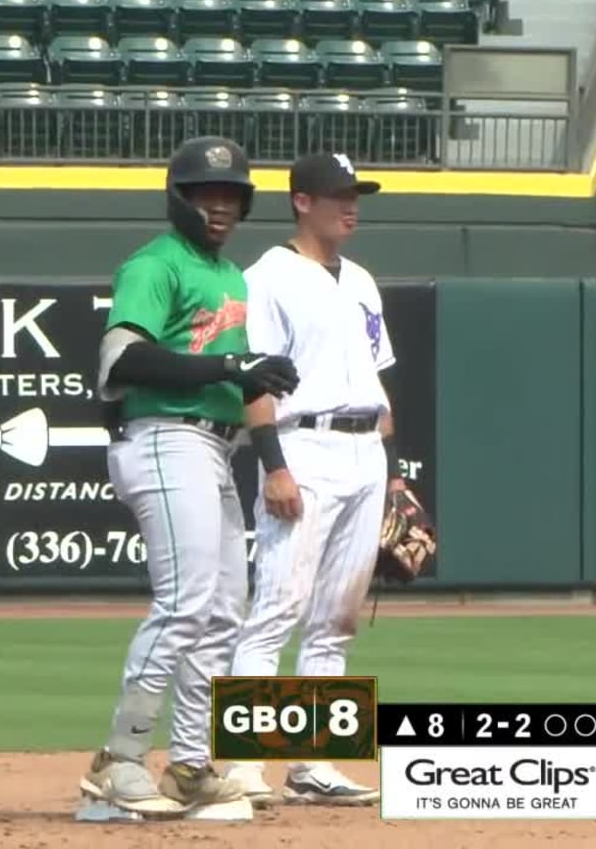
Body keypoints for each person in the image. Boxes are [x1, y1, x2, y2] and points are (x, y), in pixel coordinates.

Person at [77, 136, 301, 820]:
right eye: (206, 194)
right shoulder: (155, 264)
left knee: (224, 610)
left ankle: (191, 766)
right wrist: (225, 370)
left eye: (231, 195)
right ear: (179, 198)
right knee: (185, 602)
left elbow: (235, 380)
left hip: (215, 446)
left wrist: (265, 438)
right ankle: (118, 761)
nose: (220, 206)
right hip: (163, 436)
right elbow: (122, 363)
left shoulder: (231, 278)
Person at [222, 152, 403, 807]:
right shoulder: (265, 278)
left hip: (365, 451)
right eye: (337, 196)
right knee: (276, 606)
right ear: (301, 201)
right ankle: (242, 763)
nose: (350, 206)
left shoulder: (361, 279)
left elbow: (374, 378)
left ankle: (314, 762)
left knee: (336, 618)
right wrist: (273, 464)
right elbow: (251, 378)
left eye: (356, 196)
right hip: (304, 447)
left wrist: (396, 479)